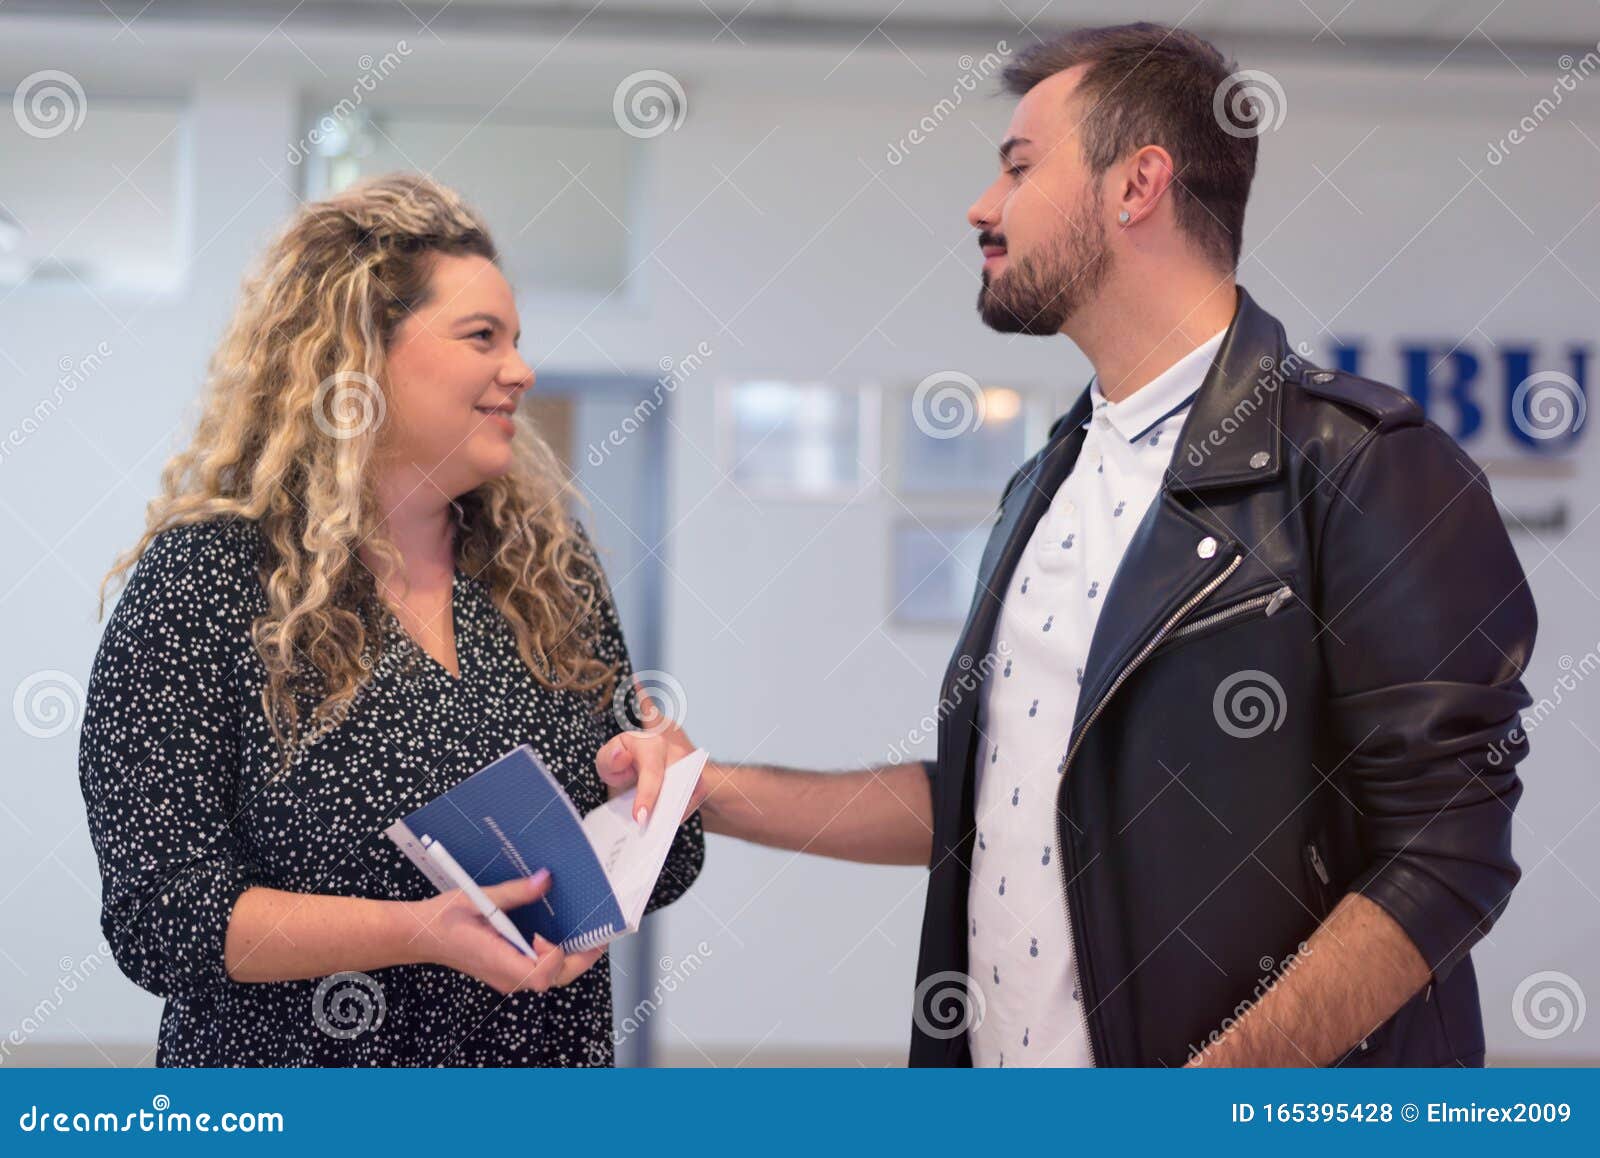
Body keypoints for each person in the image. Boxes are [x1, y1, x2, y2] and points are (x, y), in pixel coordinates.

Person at [605, 23, 1536, 1067]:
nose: (980, 206)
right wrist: (700, 788)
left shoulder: (1361, 466)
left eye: (1016, 167)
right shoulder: (1043, 484)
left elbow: (1446, 855)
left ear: (1136, 185)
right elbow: (983, 795)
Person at [78, 173, 704, 1067]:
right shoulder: (209, 580)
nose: (520, 369)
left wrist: (648, 792)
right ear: (358, 356)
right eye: (482, 337)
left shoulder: (547, 569)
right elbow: (162, 919)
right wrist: (417, 929)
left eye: (518, 339)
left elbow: (662, 866)